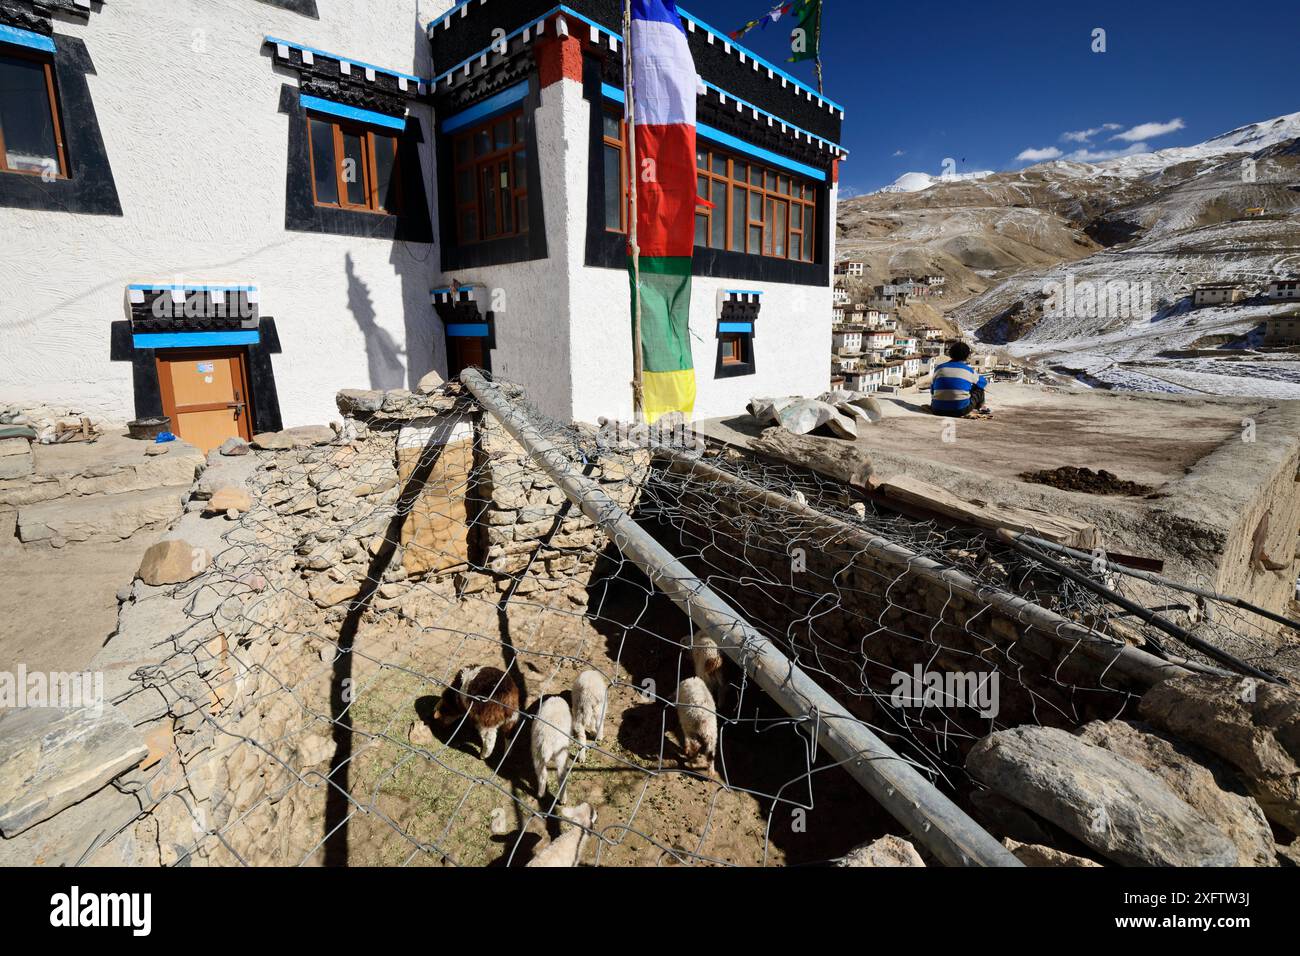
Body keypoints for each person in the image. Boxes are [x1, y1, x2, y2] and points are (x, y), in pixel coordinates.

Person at [930, 342, 988, 417]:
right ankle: (982, 408)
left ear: (950, 354)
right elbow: (983, 383)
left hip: (937, 409)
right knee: (979, 389)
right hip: (960, 410)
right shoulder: (968, 370)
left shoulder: (939, 368)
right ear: (967, 356)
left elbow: (932, 390)